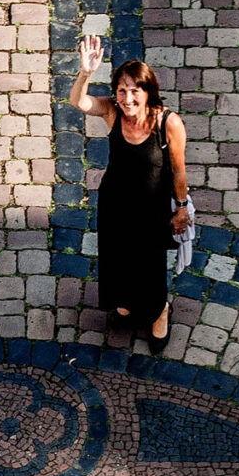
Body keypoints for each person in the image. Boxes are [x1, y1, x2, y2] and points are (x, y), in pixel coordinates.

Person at [70, 37, 192, 350]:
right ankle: (125, 302)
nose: (127, 99)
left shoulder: (168, 122)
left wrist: (181, 209)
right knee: (118, 258)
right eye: (122, 91)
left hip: (151, 209)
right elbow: (79, 102)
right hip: (116, 203)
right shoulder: (112, 112)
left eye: (134, 91)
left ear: (148, 91)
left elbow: (178, 170)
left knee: (149, 265)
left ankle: (159, 311)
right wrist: (86, 73)